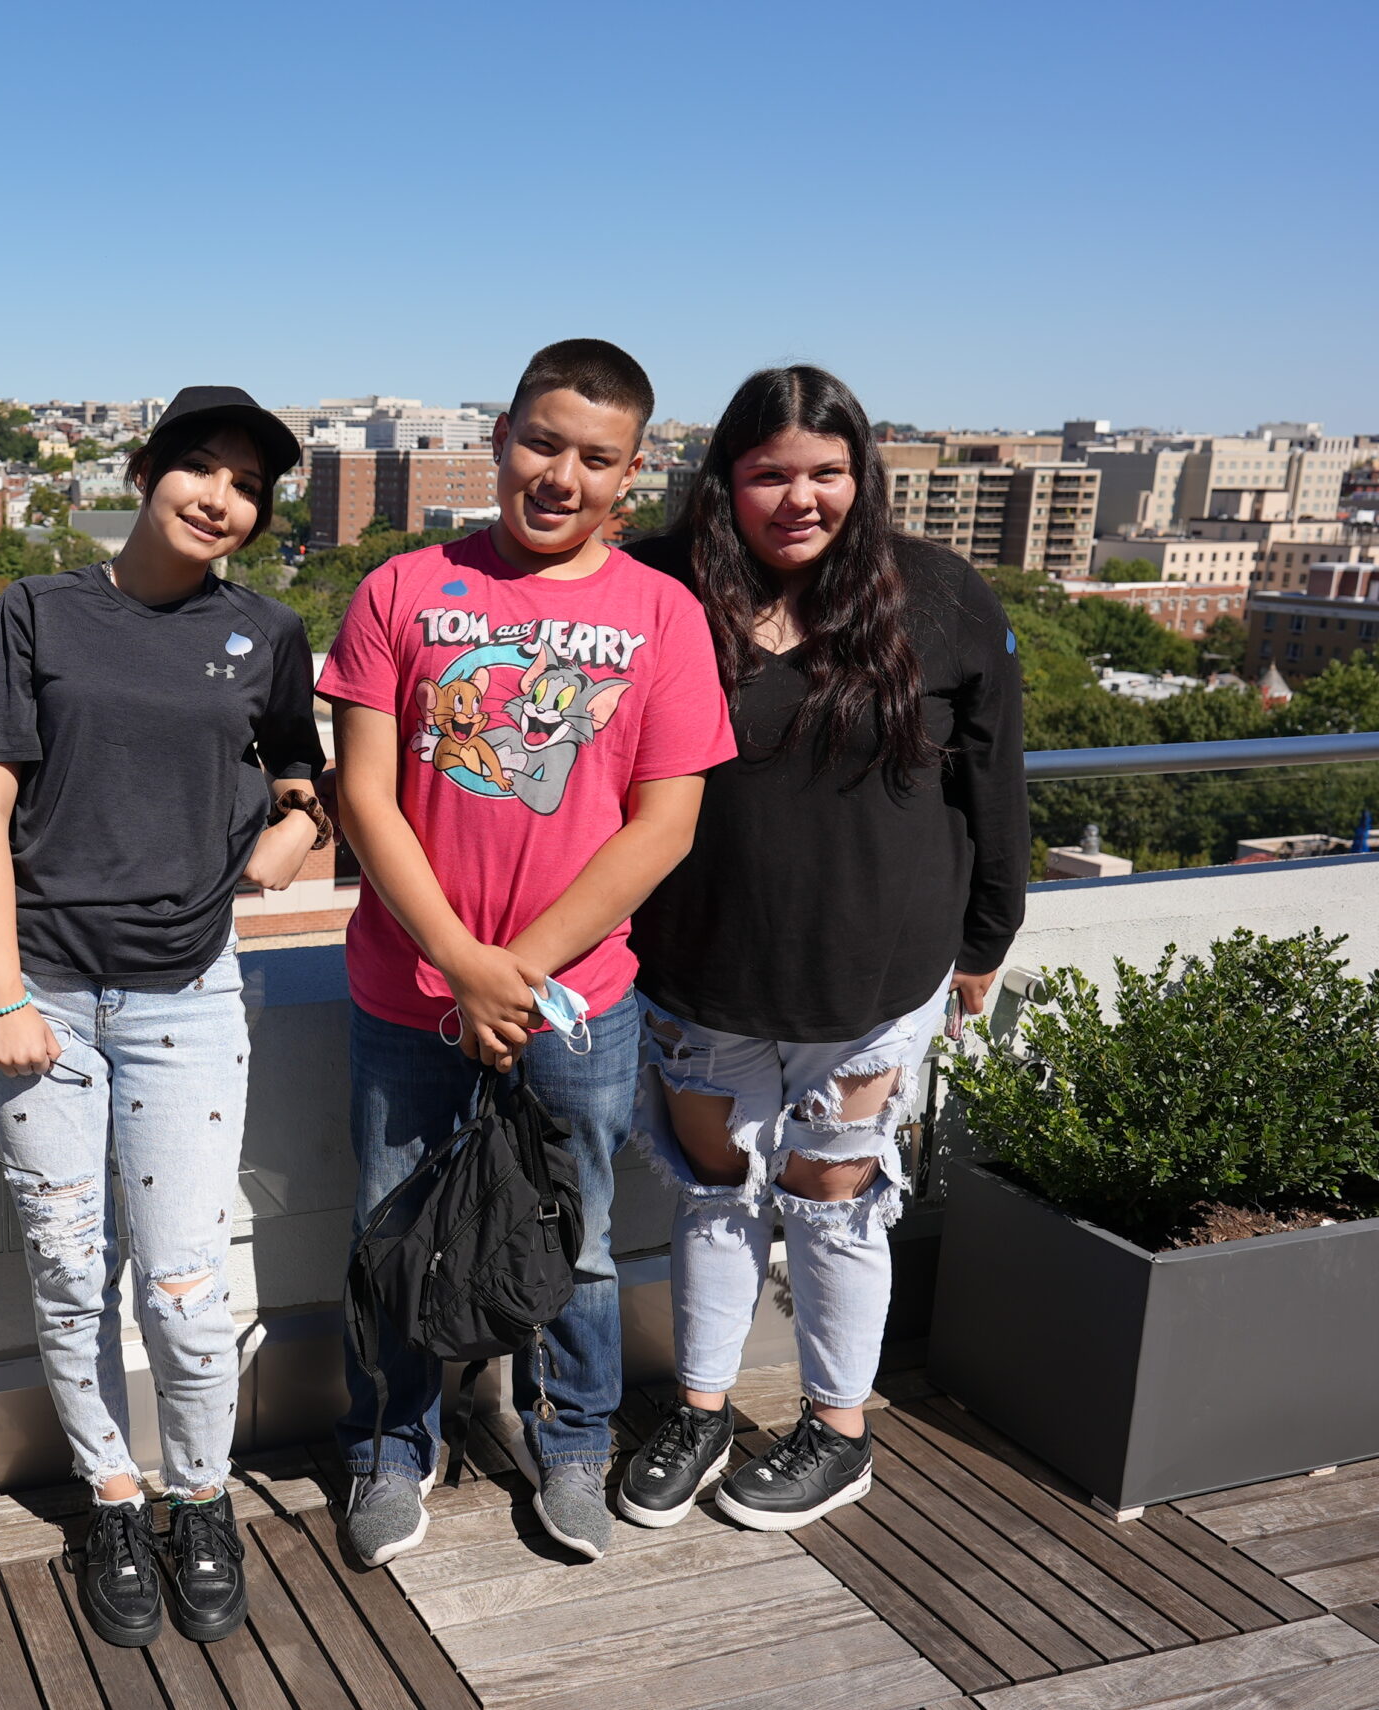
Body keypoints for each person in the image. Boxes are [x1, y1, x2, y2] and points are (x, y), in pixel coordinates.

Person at [320, 339, 737, 1569]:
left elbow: (667, 823)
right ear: (501, 437)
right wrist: (460, 965)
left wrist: (519, 976)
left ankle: (572, 1440)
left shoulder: (661, 615)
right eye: (542, 443)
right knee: (390, 1226)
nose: (560, 475)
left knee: (585, 1241)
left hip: (580, 1007)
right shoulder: (400, 591)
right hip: (409, 995)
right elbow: (365, 797)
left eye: (594, 458)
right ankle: (391, 1445)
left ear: (632, 473)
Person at [0, 387, 328, 1650]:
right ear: (149, 472)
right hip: (42, 994)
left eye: (246, 484)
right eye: (198, 469)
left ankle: (199, 1497)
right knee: (69, 1274)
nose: (221, 497)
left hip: (185, 996)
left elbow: (298, 770)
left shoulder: (265, 631)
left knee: (182, 1280)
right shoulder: (40, 611)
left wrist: (296, 832)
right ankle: (113, 1493)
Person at [617, 367, 1026, 1531]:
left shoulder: (937, 597)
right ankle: (699, 1409)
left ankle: (838, 1433)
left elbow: (990, 784)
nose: (801, 498)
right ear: (724, 482)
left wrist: (987, 937)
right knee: (710, 1195)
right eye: (769, 474)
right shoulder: (658, 587)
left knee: (834, 1200)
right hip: (699, 964)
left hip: (872, 972)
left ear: (863, 474)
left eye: (826, 473)